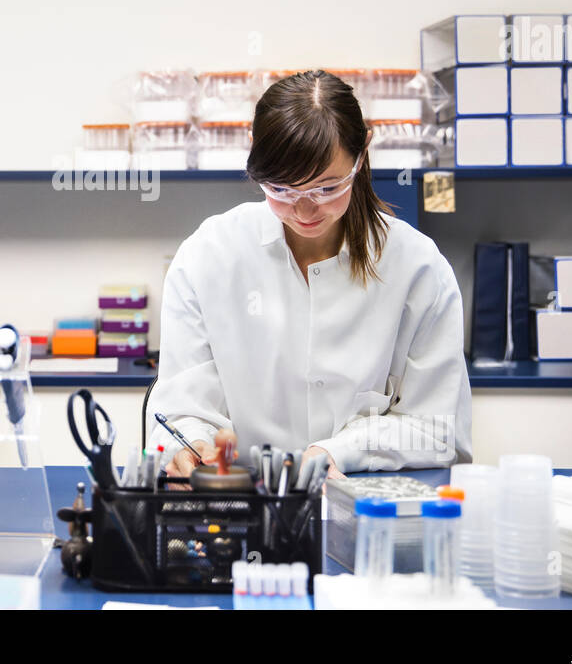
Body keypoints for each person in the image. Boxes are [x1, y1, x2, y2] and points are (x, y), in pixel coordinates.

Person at [148, 70, 472, 482]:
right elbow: (180, 409)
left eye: (326, 188)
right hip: (242, 501)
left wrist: (340, 451)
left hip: (366, 501)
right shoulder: (207, 256)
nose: (304, 211)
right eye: (281, 189)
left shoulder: (417, 268)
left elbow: (440, 430)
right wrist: (190, 445)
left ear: (362, 154)